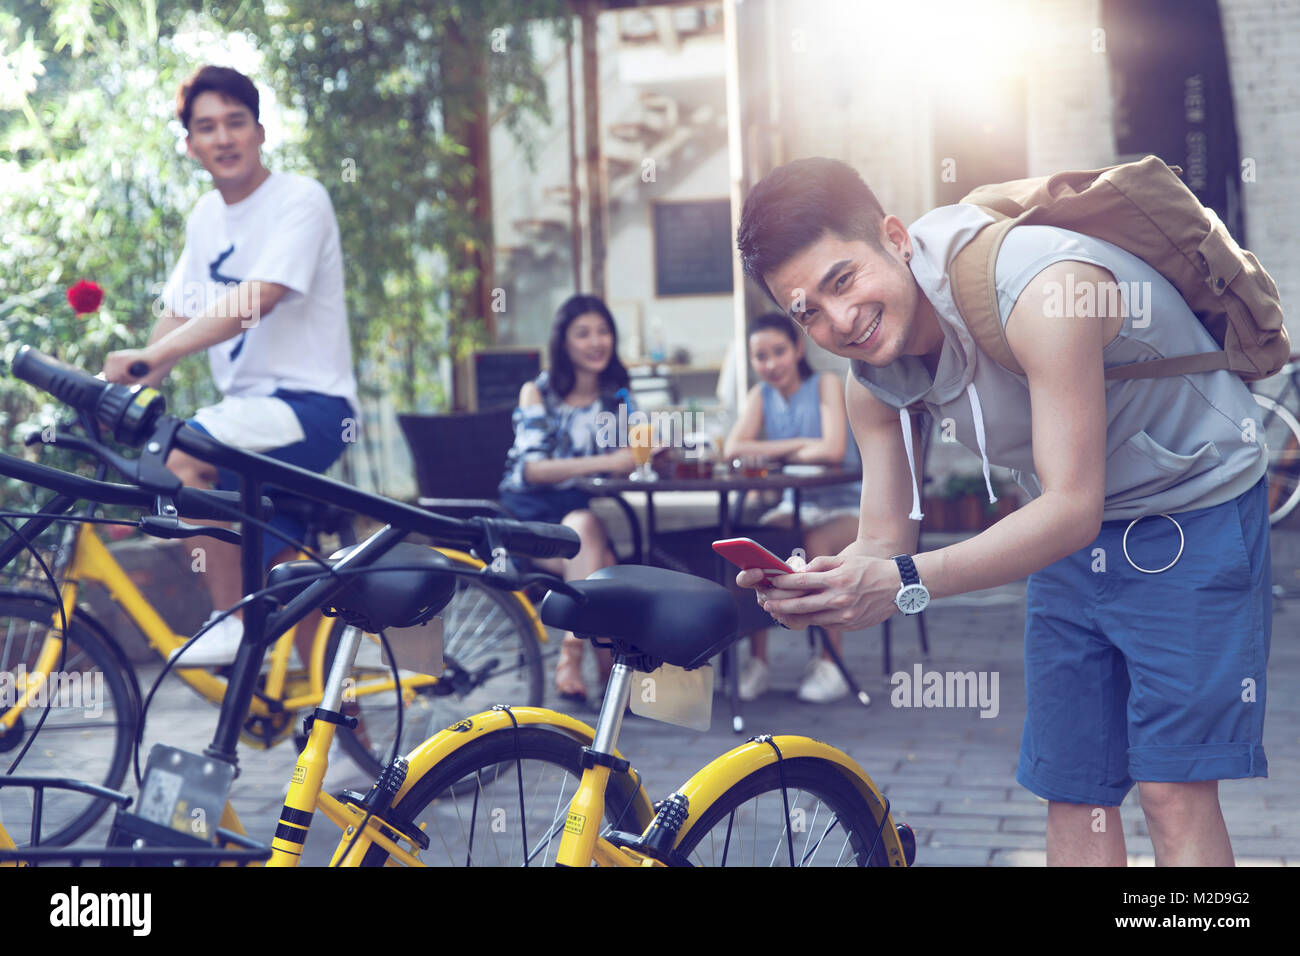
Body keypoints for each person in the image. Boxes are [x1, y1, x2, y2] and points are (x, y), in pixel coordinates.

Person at [734, 157, 1270, 867]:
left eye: (843, 280)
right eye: (808, 312)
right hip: (1062, 533)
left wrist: (900, 582)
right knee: (1073, 788)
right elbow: (884, 536)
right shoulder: (872, 378)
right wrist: (824, 584)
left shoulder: (1040, 290)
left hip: (1190, 510)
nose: (839, 321)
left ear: (894, 236)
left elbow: (1070, 508)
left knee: (1172, 789)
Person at [103, 65, 358, 666]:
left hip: (311, 410)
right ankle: (344, 734)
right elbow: (177, 311)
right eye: (207, 128)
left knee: (186, 455)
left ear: (261, 131)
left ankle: (226, 621)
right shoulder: (205, 216)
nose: (223, 139)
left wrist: (160, 354)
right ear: (190, 145)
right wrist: (125, 383)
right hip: (250, 423)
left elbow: (258, 298)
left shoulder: (300, 198)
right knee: (279, 585)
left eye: (235, 123)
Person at [499, 295, 640, 704]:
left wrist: (639, 456)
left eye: (603, 331)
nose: (597, 342)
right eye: (583, 334)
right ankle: (596, 664)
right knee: (601, 561)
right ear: (563, 342)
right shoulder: (537, 392)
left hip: (576, 518)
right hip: (525, 517)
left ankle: (579, 663)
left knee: (591, 542)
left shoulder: (614, 398)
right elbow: (533, 469)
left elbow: (627, 458)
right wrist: (609, 458)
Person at [724, 312, 862, 703]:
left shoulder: (826, 385)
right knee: (759, 545)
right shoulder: (759, 396)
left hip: (846, 504)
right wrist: (797, 446)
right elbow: (733, 449)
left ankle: (830, 662)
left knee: (815, 541)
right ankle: (760, 663)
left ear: (798, 349)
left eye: (779, 352)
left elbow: (833, 450)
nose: (770, 364)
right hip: (793, 503)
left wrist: (768, 453)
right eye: (760, 356)